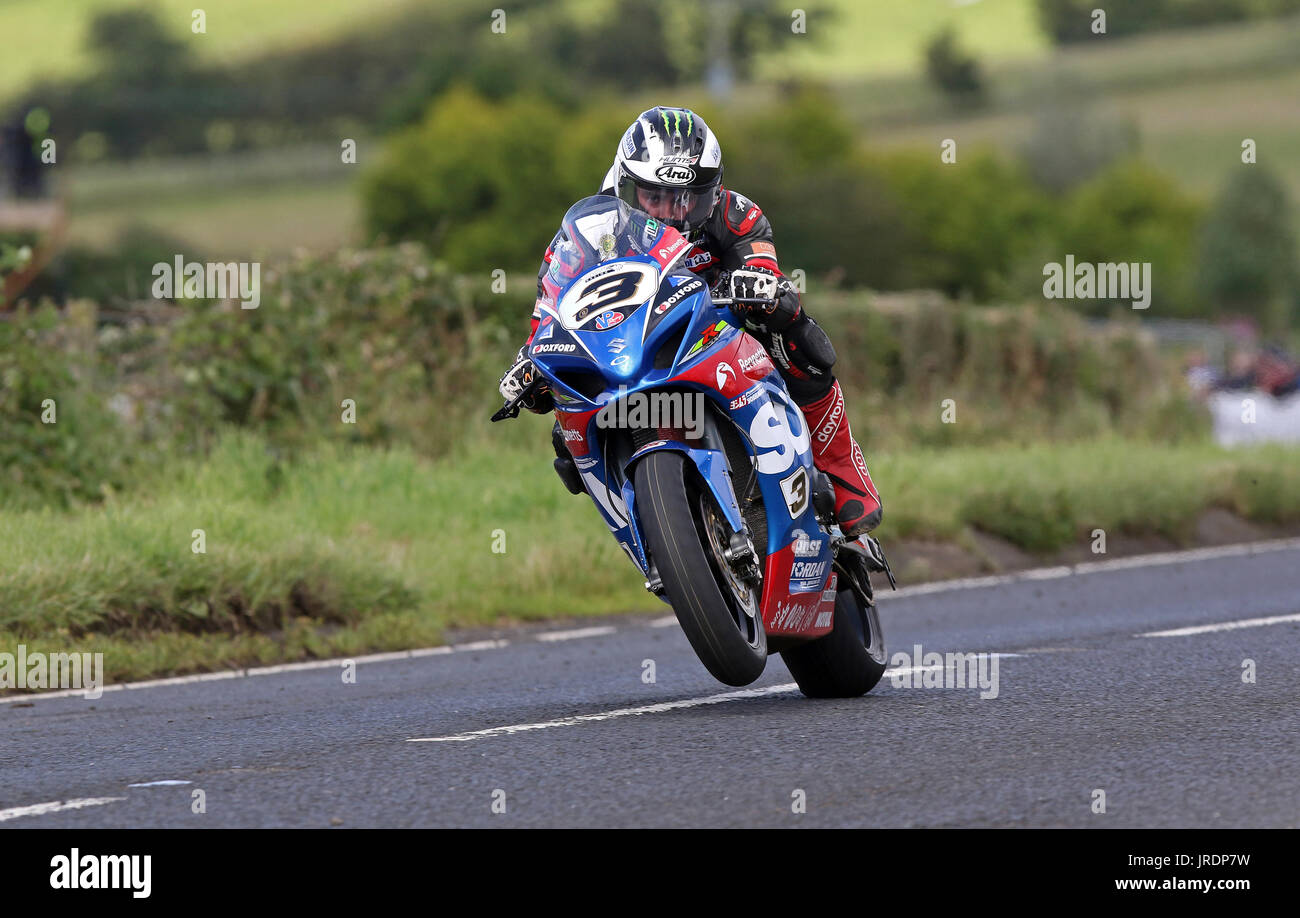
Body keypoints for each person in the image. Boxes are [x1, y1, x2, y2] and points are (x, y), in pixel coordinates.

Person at [499, 106, 883, 538]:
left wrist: (763, 288)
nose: (670, 212)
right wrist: (533, 363)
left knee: (798, 337)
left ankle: (843, 472)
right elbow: (547, 313)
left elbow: (766, 271)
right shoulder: (591, 234)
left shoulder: (736, 214)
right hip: (630, 345)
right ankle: (646, 528)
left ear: (712, 193)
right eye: (654, 196)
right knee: (562, 425)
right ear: (626, 186)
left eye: (687, 198)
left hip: (715, 331)